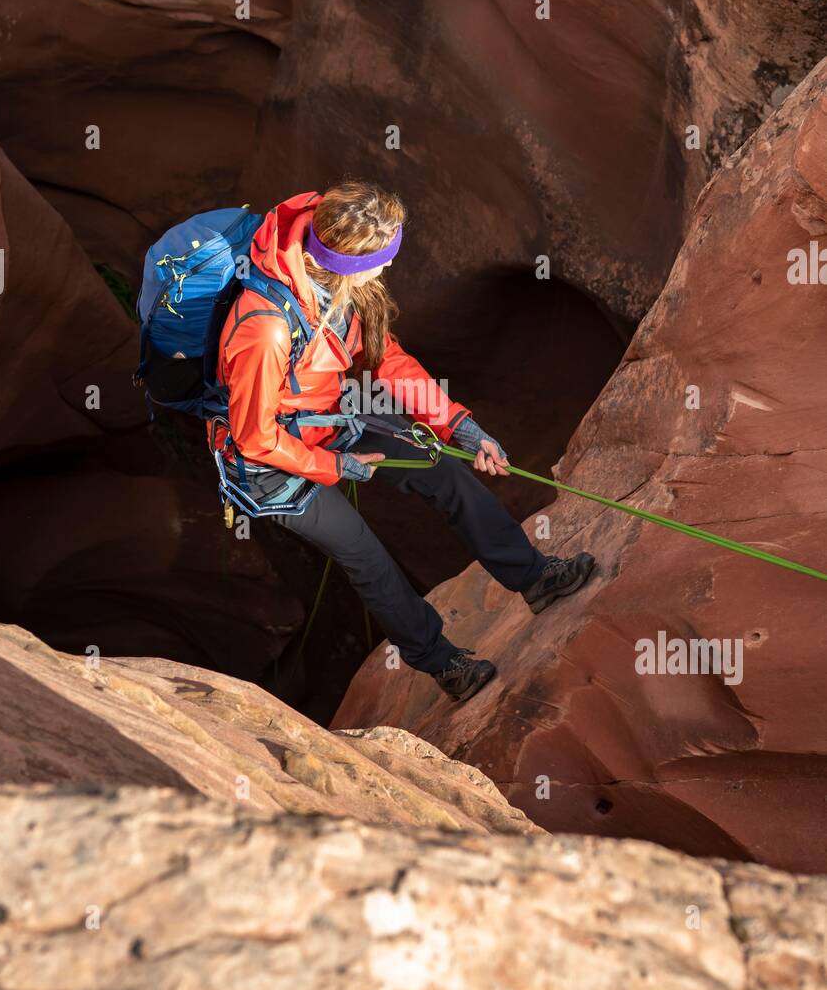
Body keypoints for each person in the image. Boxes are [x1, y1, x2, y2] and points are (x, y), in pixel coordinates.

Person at [212, 181, 595, 703]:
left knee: (443, 471)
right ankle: (443, 663)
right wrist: (336, 467)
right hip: (269, 465)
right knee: (364, 554)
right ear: (345, 262)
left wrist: (458, 426)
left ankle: (534, 577)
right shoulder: (265, 328)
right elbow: (254, 436)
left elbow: (387, 361)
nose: (389, 267)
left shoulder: (346, 290)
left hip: (326, 418)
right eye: (384, 257)